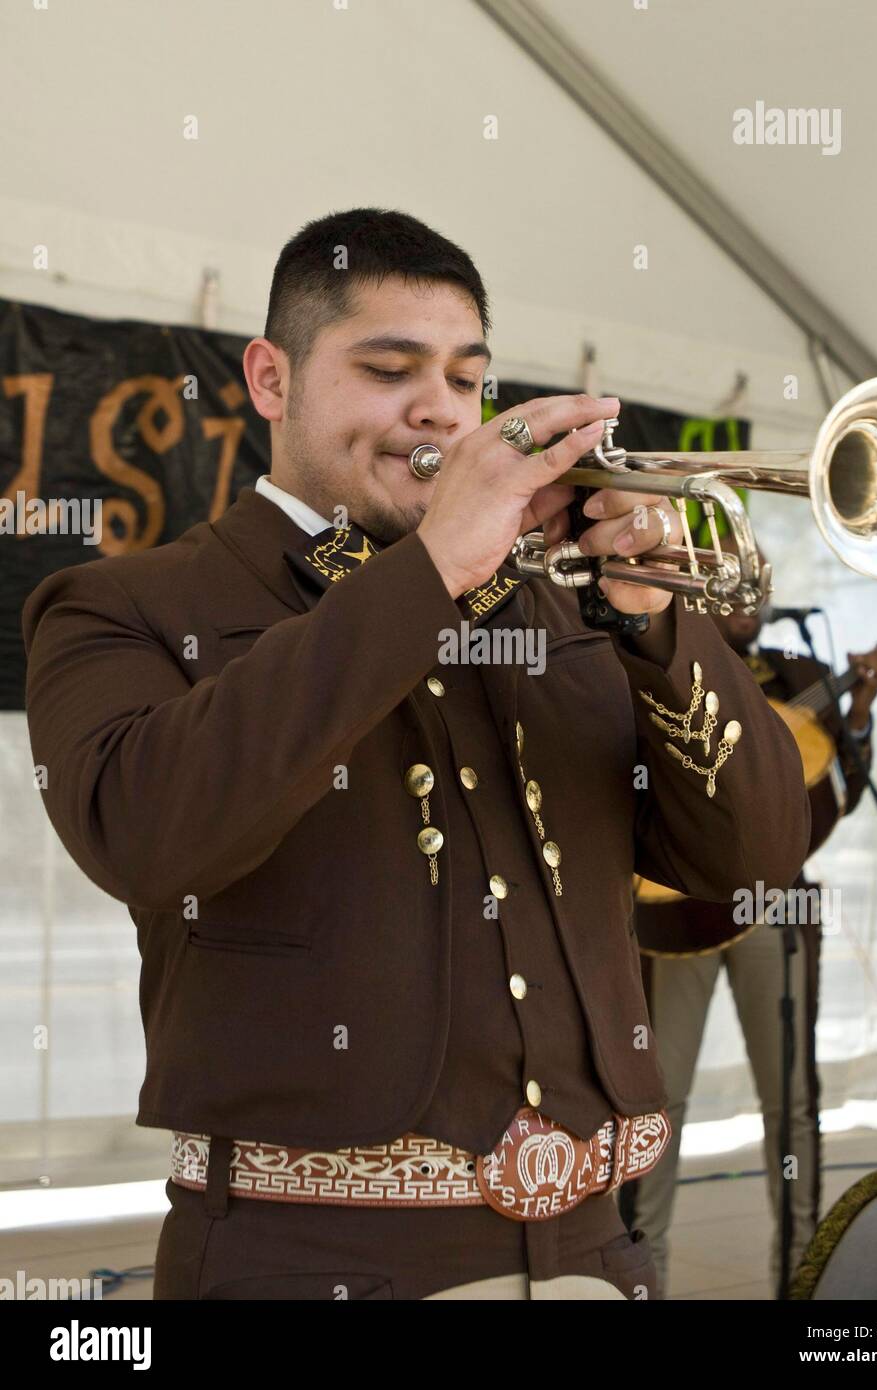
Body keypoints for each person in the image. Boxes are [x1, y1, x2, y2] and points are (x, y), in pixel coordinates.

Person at [21, 208, 810, 1300]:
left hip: (596, 1252)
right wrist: (434, 567)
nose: (439, 406)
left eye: (465, 376)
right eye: (389, 368)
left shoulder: (561, 609)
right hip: (308, 1264)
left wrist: (652, 614)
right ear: (269, 378)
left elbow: (757, 855)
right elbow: (147, 835)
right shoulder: (123, 606)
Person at [629, 544, 877, 1296]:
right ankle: (646, 1282)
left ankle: (801, 1287)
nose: (749, 598)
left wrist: (859, 722)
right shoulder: (652, 658)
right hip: (673, 922)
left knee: (792, 1104)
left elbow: (839, 791)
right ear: (701, 592)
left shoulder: (801, 676)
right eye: (734, 586)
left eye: (759, 586)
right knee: (657, 1105)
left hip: (777, 910)